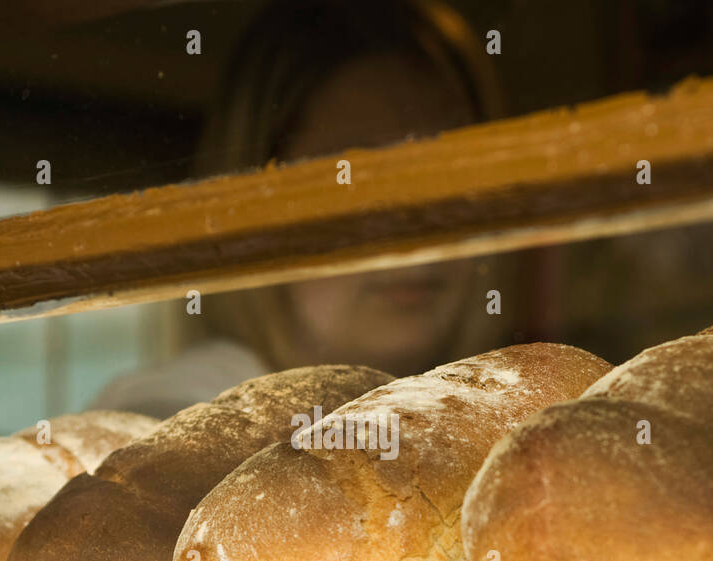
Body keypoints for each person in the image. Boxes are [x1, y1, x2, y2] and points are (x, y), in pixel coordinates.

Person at [91, 0, 507, 417]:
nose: (415, 224)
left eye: (445, 173)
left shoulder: (481, 408)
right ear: (252, 208)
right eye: (353, 179)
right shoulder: (179, 411)